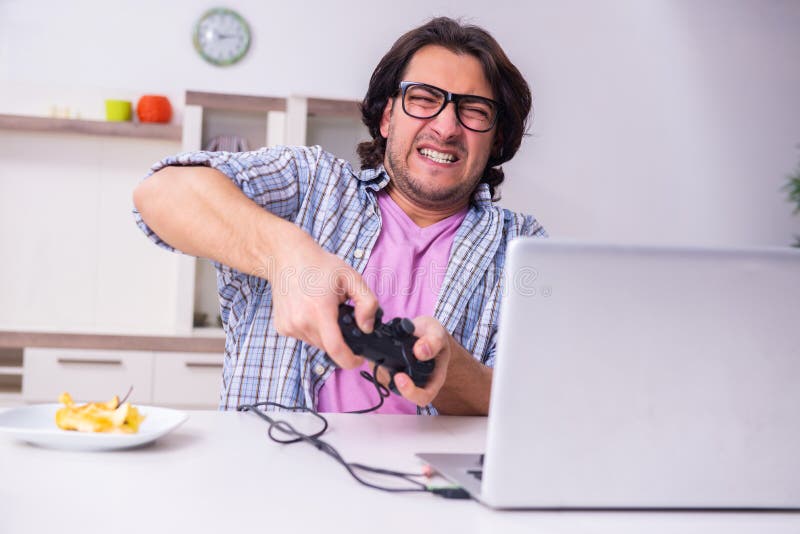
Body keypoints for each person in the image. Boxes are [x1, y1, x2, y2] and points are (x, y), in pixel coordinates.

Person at [133, 17, 546, 416]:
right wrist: (286, 254)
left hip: (427, 486)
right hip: (270, 479)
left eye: (473, 110)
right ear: (387, 117)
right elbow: (158, 194)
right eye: (423, 99)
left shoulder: (521, 245)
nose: (446, 126)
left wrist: (448, 366)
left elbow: (525, 402)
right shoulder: (311, 183)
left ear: (496, 139)